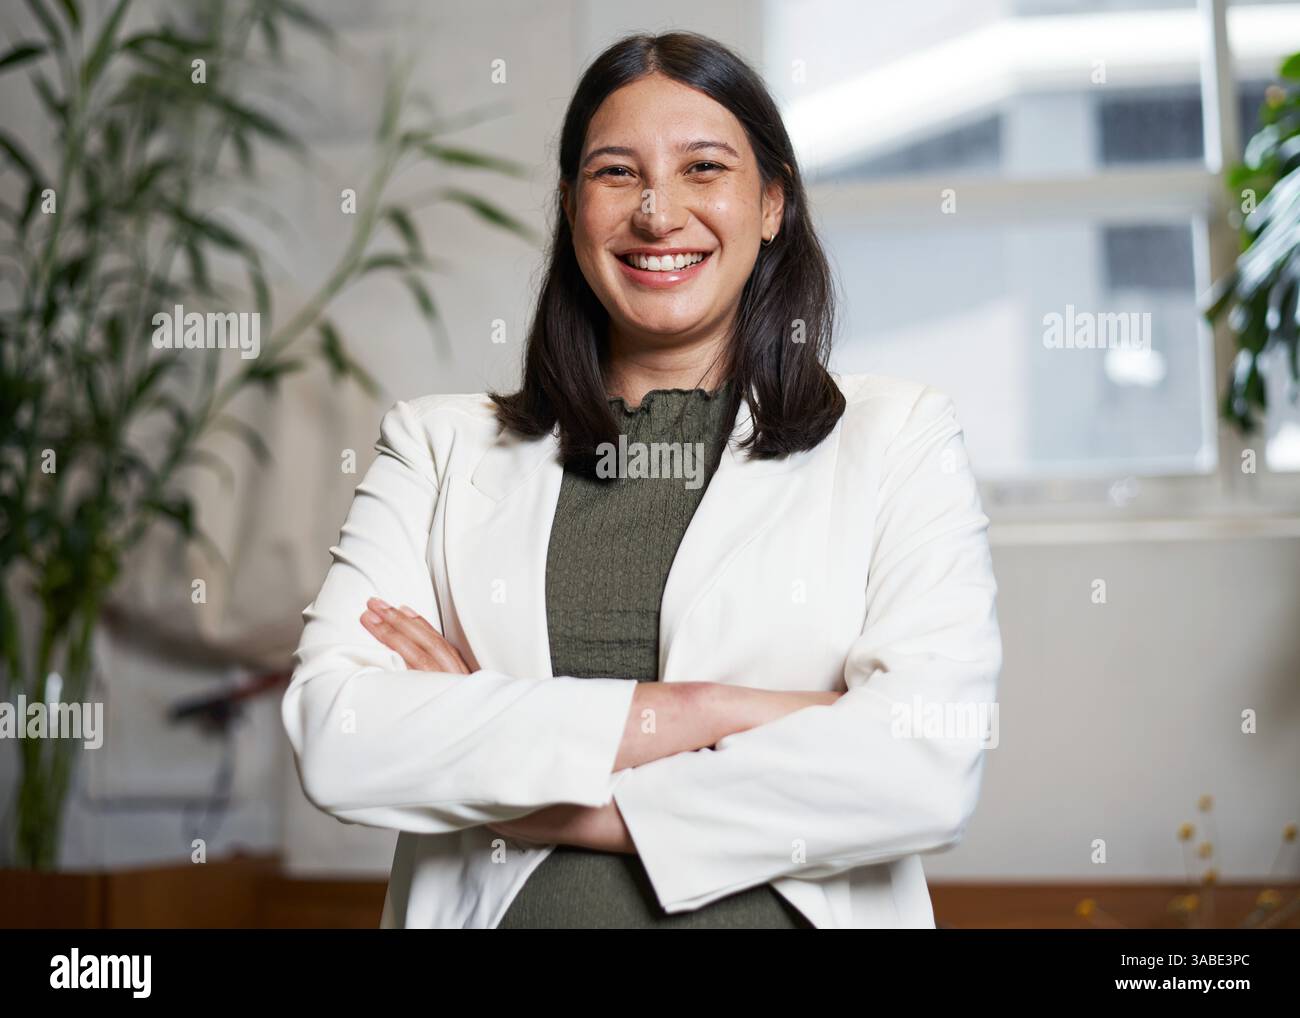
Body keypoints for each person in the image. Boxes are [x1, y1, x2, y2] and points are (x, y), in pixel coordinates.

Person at [281, 30, 1003, 929]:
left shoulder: (897, 438)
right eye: (617, 173)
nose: (659, 214)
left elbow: (923, 766)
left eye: (705, 168)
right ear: (570, 205)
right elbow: (339, 736)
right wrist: (714, 712)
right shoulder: (436, 448)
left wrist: (504, 752)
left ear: (772, 202)